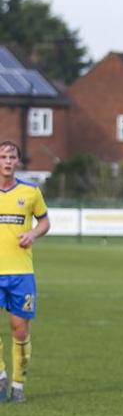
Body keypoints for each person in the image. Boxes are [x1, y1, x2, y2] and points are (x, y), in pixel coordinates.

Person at [0, 141, 50, 402]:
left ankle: (18, 384)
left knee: (19, 331)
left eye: (11, 157)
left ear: (17, 161)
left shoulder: (30, 192)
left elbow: (44, 221)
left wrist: (32, 233)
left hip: (21, 273)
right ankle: (0, 377)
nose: (7, 161)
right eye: (2, 156)